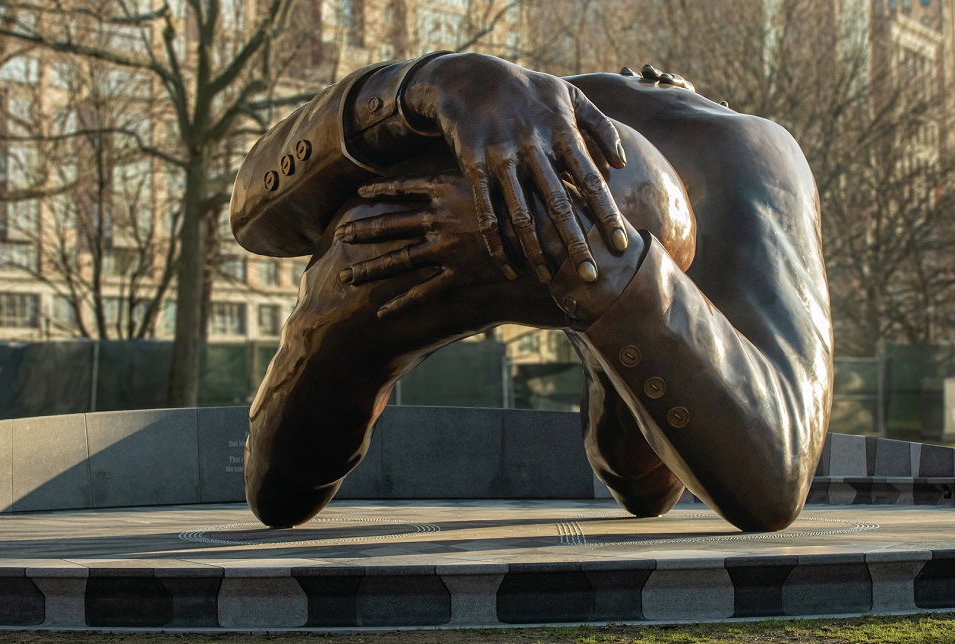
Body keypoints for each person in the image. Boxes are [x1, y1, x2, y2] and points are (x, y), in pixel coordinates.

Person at [228, 53, 833, 533]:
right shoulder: (742, 151)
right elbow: (253, 215)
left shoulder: (733, 156)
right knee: (642, 469)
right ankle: (610, 276)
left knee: (281, 488)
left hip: (410, 234)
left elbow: (726, 479)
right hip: (448, 211)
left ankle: (605, 275)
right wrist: (435, 82)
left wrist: (565, 244)